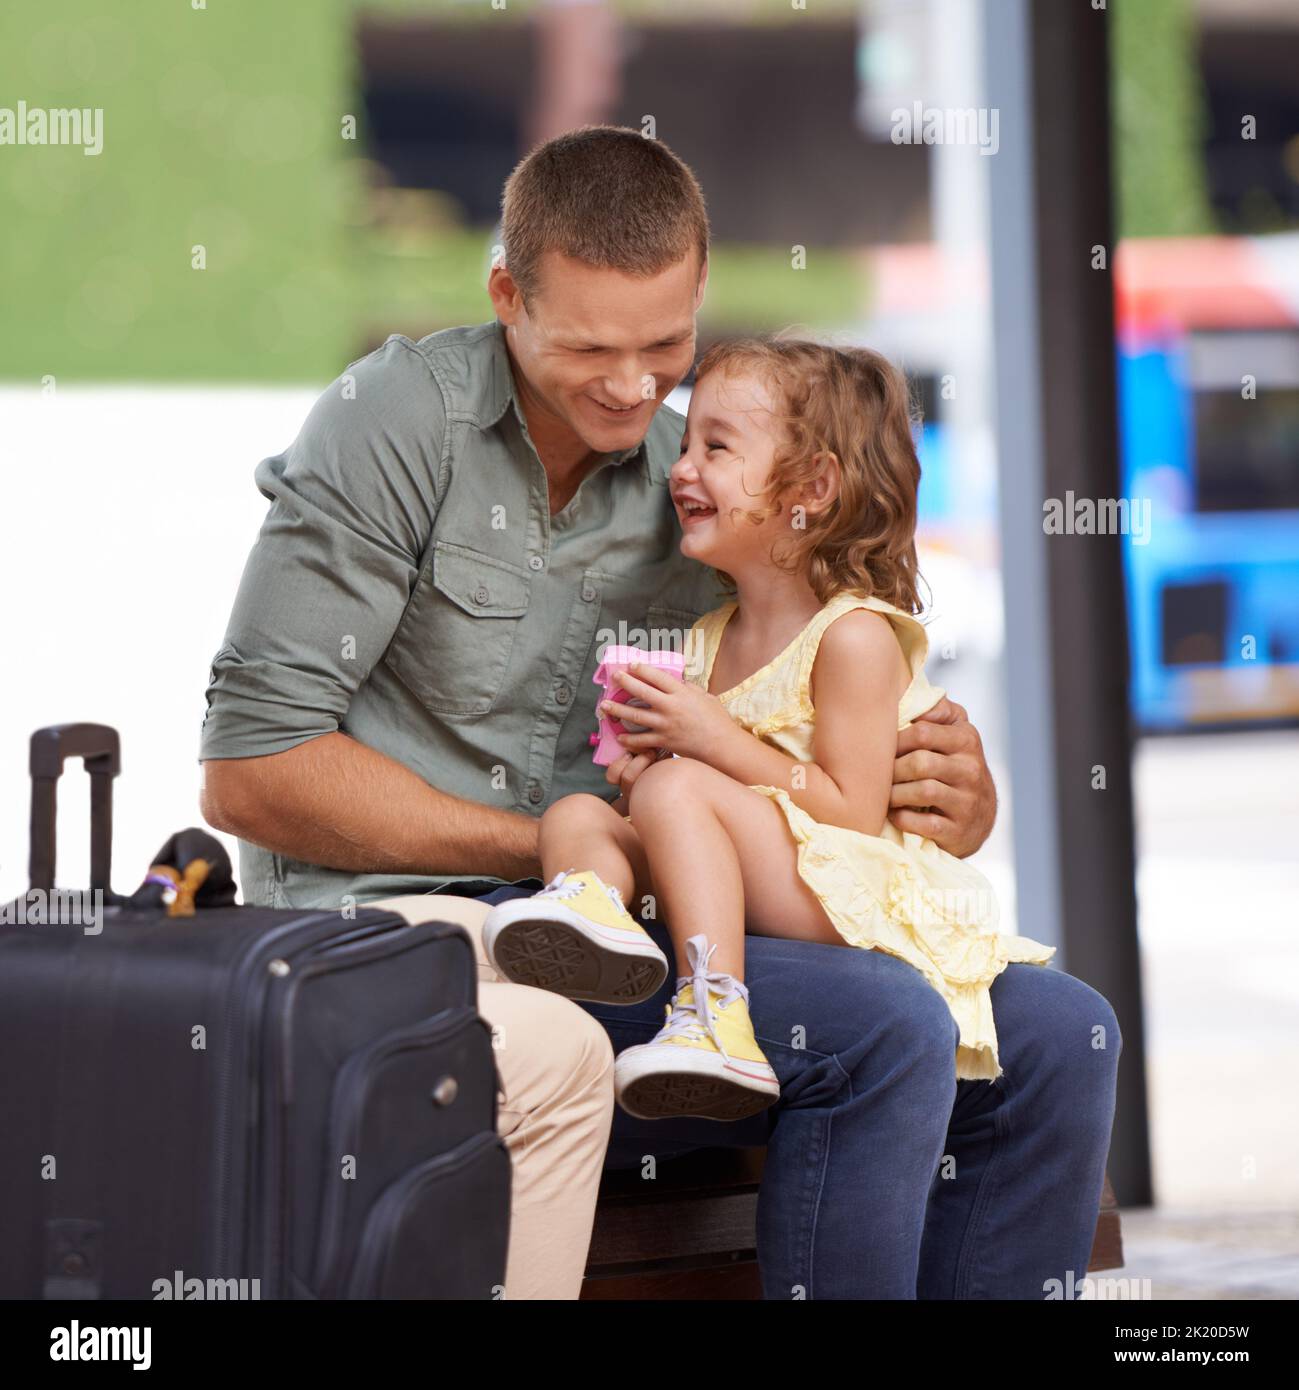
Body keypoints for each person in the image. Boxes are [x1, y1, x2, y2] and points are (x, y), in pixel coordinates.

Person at [199, 126, 1119, 1299]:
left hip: (650, 929)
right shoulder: (395, 427)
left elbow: (815, 721)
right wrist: (557, 848)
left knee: (1058, 1036)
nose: (635, 386)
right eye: (590, 346)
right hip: (421, 936)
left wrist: (945, 787)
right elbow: (251, 771)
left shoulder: (703, 483)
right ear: (506, 297)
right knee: (883, 1024)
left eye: (667, 344)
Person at [480, 335, 1056, 1124]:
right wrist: (644, 769)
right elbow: (705, 794)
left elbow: (851, 811)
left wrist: (703, 747)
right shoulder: (710, 635)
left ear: (811, 486)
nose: (681, 469)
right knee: (578, 814)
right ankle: (592, 913)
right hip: (752, 874)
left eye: (716, 447)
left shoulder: (852, 637)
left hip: (849, 892)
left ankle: (716, 1016)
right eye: (685, 444)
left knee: (680, 785)